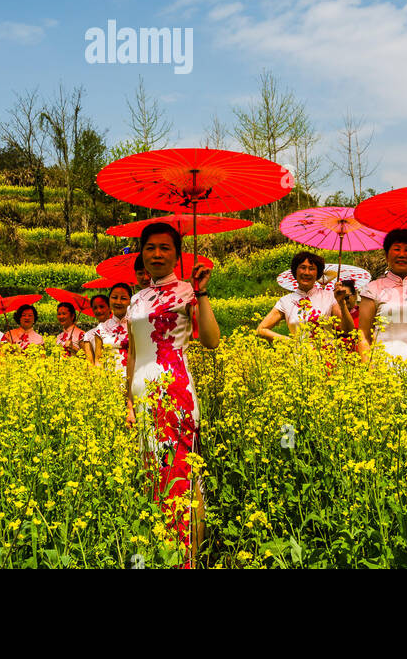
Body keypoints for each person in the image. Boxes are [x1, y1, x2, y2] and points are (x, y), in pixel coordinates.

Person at [125, 221, 219, 565]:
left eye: (165, 248)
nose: (157, 254)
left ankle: (189, 560)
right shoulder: (136, 299)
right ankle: (166, 556)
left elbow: (210, 340)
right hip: (142, 393)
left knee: (181, 478)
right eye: (150, 248)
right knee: (155, 480)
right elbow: (133, 354)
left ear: (177, 255)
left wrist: (202, 292)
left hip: (174, 391)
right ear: (142, 253)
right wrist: (129, 402)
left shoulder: (187, 292)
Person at [356, 230, 407, 361]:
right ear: (387, 255)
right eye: (397, 249)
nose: (402, 255)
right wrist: (367, 372)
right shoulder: (372, 288)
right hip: (382, 366)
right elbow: (363, 335)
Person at [256, 251, 355, 343]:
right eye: (303, 267)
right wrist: (287, 341)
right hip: (299, 359)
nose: (306, 273)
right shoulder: (285, 301)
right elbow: (261, 329)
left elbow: (348, 331)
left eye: (311, 269)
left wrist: (342, 303)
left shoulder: (329, 297)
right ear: (295, 271)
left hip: (327, 358)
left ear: (318, 274)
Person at [85, 283, 131, 373]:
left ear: (130, 301)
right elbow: (98, 360)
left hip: (133, 379)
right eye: (114, 297)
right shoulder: (101, 328)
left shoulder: (136, 325)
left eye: (123, 298)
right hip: (110, 381)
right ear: (109, 300)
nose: (118, 302)